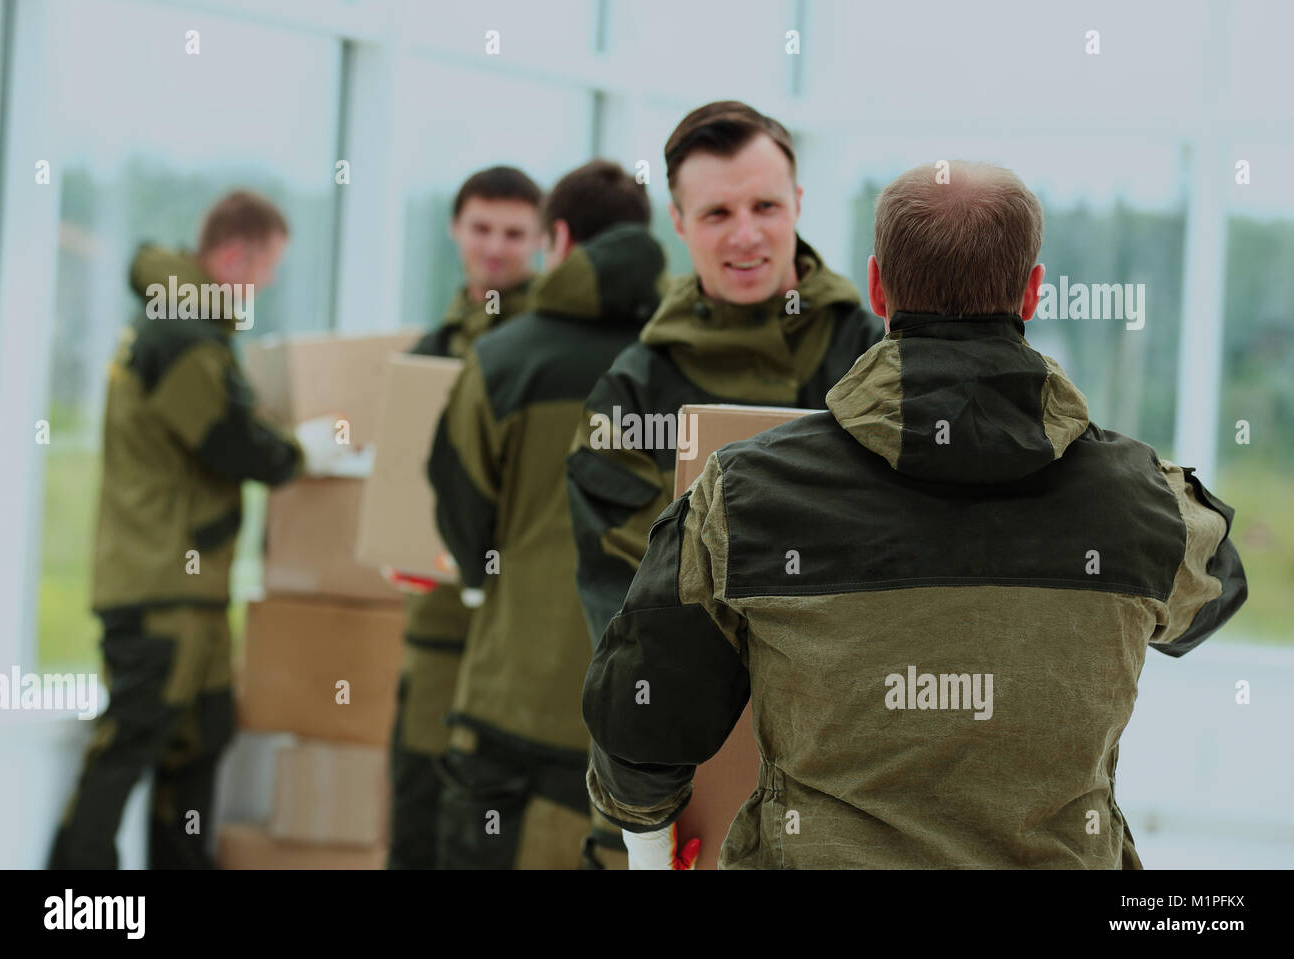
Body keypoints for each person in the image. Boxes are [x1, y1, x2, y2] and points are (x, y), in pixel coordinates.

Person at [581, 161, 1248, 869]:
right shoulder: (1142, 499)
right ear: (1032, 292)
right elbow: (1216, 591)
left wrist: (648, 847)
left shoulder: (744, 494)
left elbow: (640, 719)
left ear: (877, 286)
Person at [565, 100, 884, 865]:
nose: (745, 235)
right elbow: (624, 606)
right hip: (694, 761)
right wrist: (648, 812)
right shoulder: (632, 391)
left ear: (799, 204)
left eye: (766, 205)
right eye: (716, 213)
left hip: (864, 758)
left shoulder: (872, 359)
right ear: (677, 221)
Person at [48, 191, 311, 868]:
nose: (266, 284)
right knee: (131, 745)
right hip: (160, 589)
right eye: (265, 268)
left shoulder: (188, 329)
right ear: (232, 255)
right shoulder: (180, 336)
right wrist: (301, 452)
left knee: (201, 739)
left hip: (187, 588)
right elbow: (232, 443)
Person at [426, 160, 665, 869]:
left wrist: (481, 571)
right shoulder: (678, 363)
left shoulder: (501, 359)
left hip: (513, 696)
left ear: (557, 238)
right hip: (641, 710)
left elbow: (460, 511)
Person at [388, 166, 543, 869]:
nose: (496, 247)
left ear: (543, 240)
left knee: (505, 818)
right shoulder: (428, 352)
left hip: (529, 630)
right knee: (419, 795)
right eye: (482, 228)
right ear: (456, 230)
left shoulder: (553, 352)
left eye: (514, 232)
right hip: (441, 621)